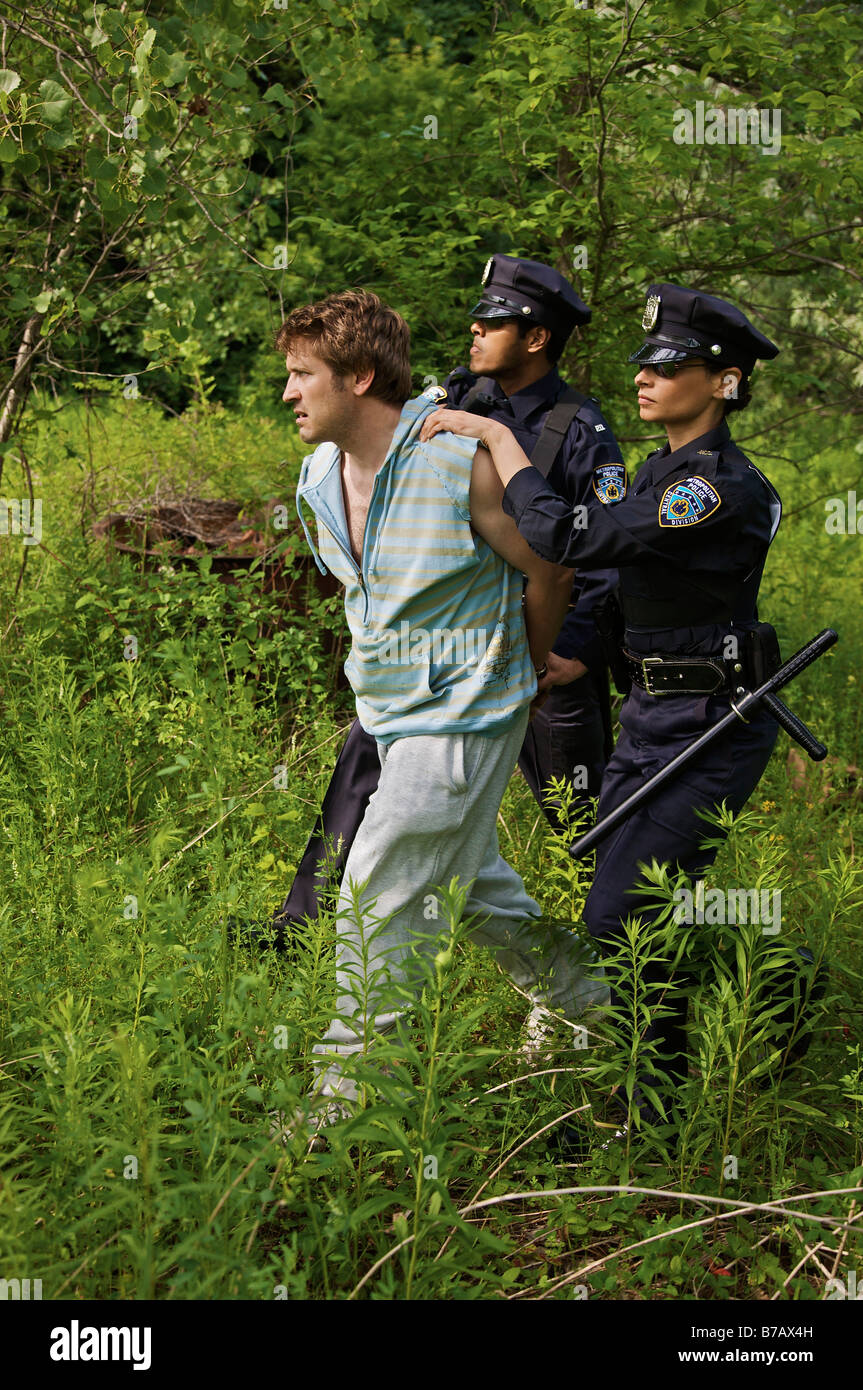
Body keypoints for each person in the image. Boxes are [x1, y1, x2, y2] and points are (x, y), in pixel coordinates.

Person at [420, 283, 824, 1138]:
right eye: (643, 363)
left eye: (670, 365)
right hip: (651, 716)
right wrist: (579, 653)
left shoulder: (715, 488)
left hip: (711, 727)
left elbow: (570, 539)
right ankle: (781, 980)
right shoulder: (658, 472)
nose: (645, 378)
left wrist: (497, 437)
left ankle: (655, 1115)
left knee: (621, 915)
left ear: (725, 382)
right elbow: (629, 584)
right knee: (633, 903)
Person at [274, 289, 607, 1137]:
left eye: (301, 375)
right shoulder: (316, 475)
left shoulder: (456, 459)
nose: (288, 393)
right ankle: (599, 1008)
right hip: (388, 712)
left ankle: (341, 1109)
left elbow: (549, 573)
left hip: (468, 710)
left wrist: (526, 667)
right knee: (475, 893)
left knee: (374, 886)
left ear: (357, 377)